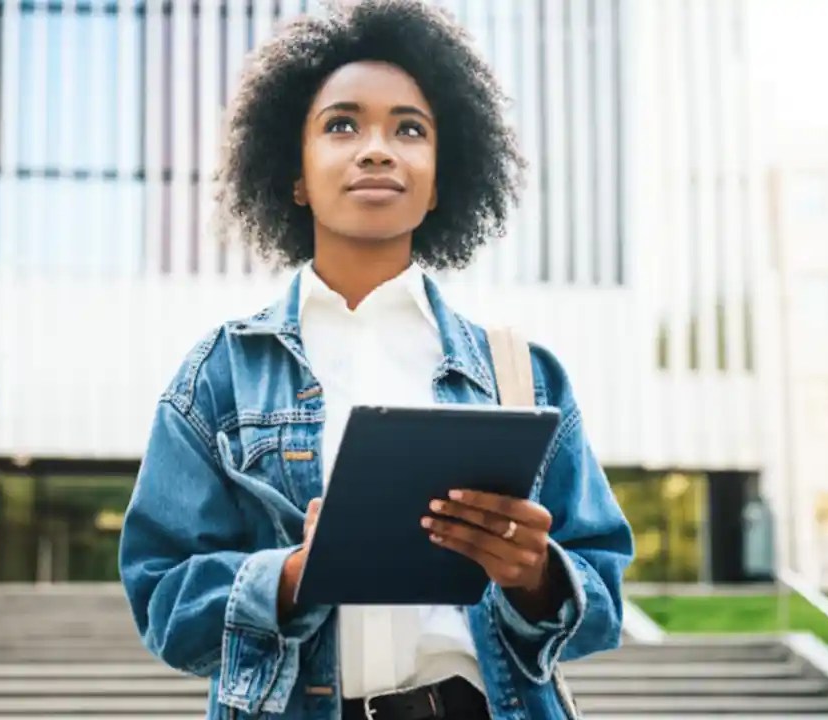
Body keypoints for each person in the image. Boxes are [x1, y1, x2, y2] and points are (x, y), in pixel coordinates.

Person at [119, 2, 634, 718]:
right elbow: (162, 598)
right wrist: (295, 575)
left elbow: (603, 592)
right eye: (341, 124)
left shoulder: (524, 373)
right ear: (292, 172)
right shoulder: (219, 376)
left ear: (439, 179)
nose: (377, 148)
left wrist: (536, 577)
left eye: (410, 129)